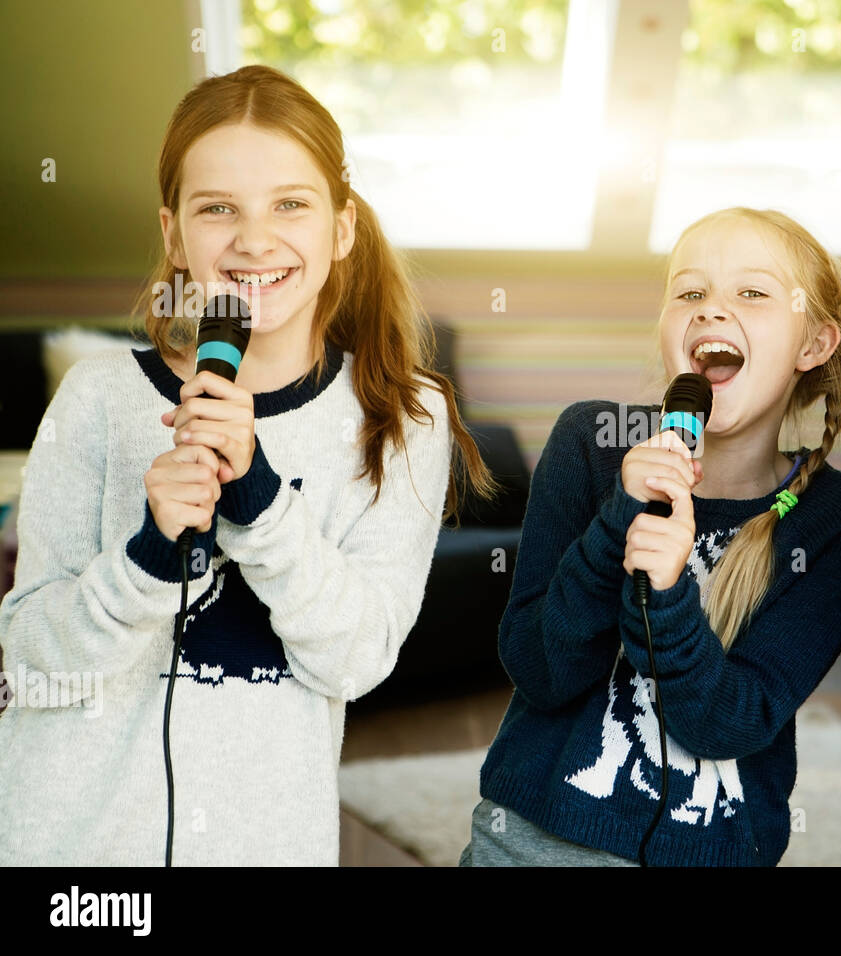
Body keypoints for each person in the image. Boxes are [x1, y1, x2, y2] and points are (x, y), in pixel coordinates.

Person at [0, 65, 491, 865]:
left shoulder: (406, 418)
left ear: (341, 229)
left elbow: (355, 661)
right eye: (218, 208)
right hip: (67, 850)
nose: (253, 239)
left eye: (290, 204)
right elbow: (30, 652)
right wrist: (149, 555)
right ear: (174, 235)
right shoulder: (97, 397)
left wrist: (259, 500)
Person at [459, 207, 841, 866]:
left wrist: (666, 596)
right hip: (528, 846)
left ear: (814, 345)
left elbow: (728, 722)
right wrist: (617, 523)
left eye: (751, 292)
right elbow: (541, 672)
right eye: (689, 292)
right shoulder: (590, 444)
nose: (711, 311)